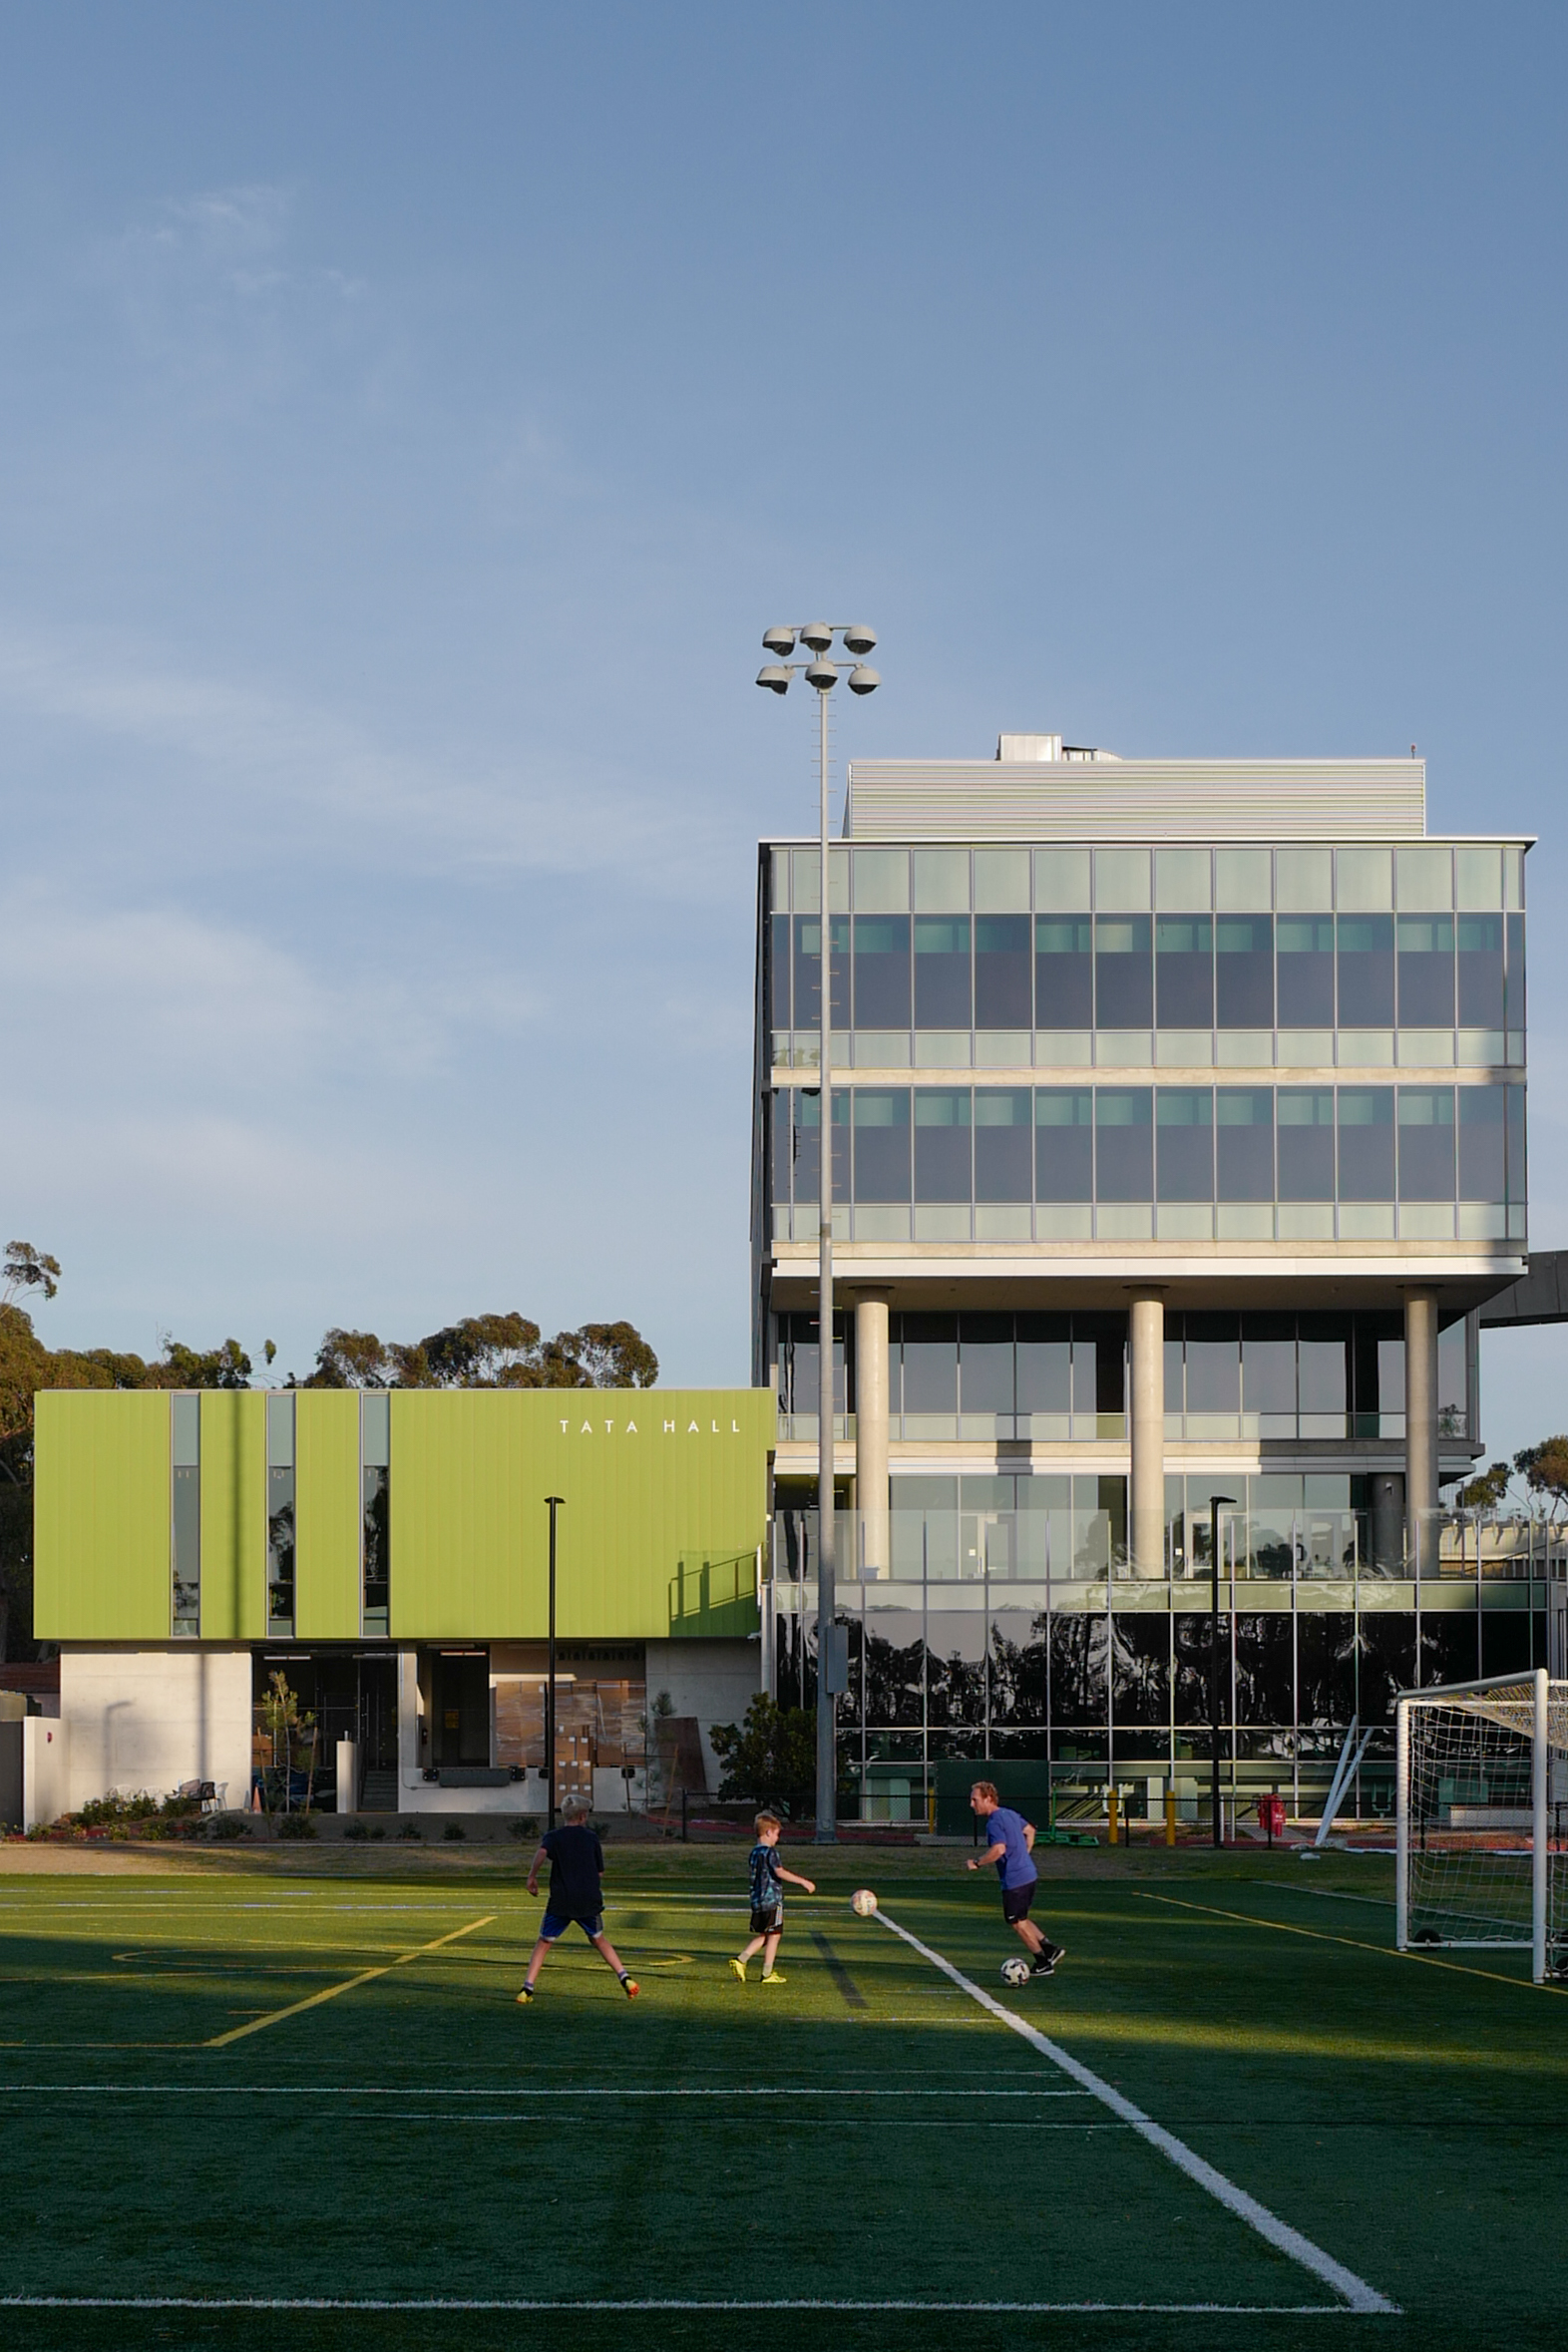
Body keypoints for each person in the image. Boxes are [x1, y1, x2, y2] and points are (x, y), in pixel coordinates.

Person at [517, 1795, 638, 2003]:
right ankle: (625, 1977)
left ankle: (527, 1988)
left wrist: (532, 1876)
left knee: (544, 1942)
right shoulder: (591, 1838)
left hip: (562, 1899)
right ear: (583, 1816)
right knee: (598, 1938)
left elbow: (542, 1852)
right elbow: (600, 1872)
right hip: (588, 1899)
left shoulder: (554, 1837)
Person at [967, 1780, 1064, 1977]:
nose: (971, 1804)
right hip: (1029, 1874)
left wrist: (977, 1863)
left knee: (1016, 1922)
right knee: (1022, 1918)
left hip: (1015, 1880)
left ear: (988, 1798)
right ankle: (1050, 1949)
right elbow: (1030, 1831)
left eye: (975, 1800)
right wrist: (1024, 1855)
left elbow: (998, 1850)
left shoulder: (994, 1822)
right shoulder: (1009, 1814)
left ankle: (1043, 1962)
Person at [728, 1809, 815, 1984]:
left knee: (766, 1934)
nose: (777, 1838)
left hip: (757, 1900)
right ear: (768, 1832)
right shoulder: (770, 1852)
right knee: (774, 1935)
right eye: (776, 1834)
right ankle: (764, 1972)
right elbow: (779, 1871)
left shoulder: (754, 1853)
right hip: (772, 1900)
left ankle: (741, 1960)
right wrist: (803, 1881)